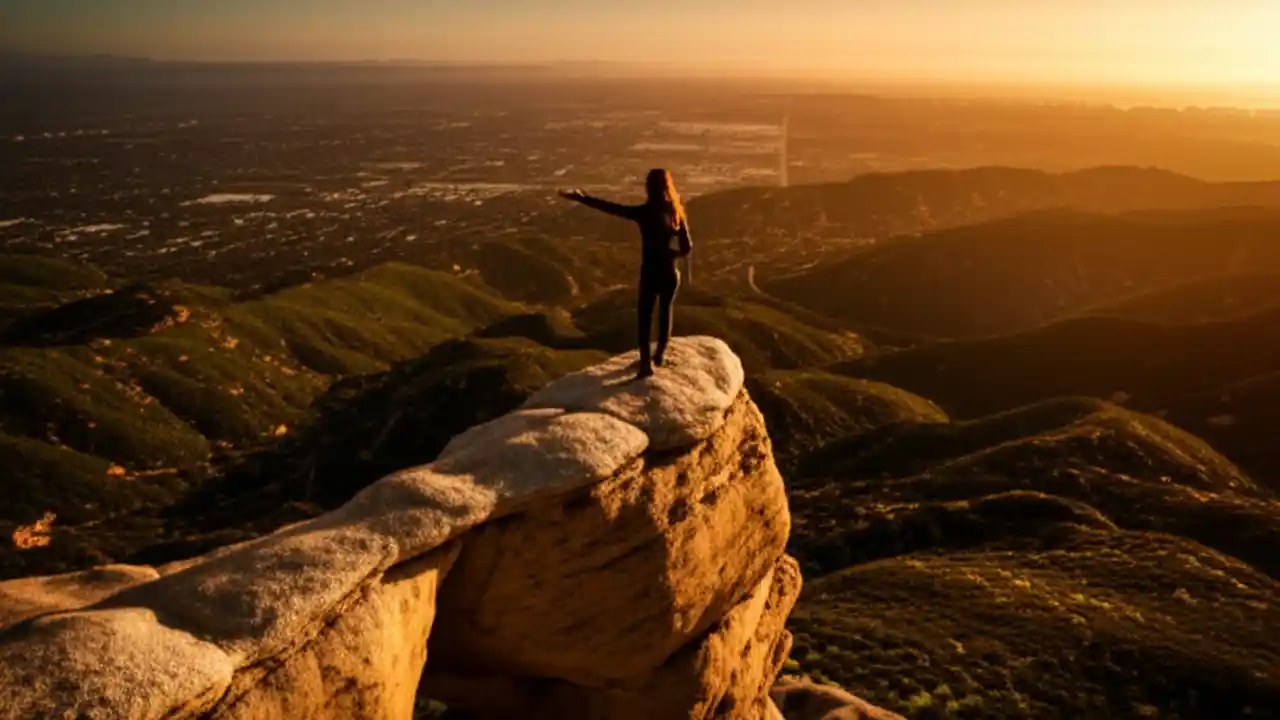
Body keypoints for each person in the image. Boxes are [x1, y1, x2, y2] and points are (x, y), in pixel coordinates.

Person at [559, 168, 693, 379]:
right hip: (669, 272)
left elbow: (612, 208)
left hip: (650, 272)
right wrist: (670, 254)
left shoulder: (644, 212)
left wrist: (583, 198)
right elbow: (687, 248)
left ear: (648, 188)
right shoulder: (676, 211)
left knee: (645, 318)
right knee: (665, 312)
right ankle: (660, 354)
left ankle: (645, 365)